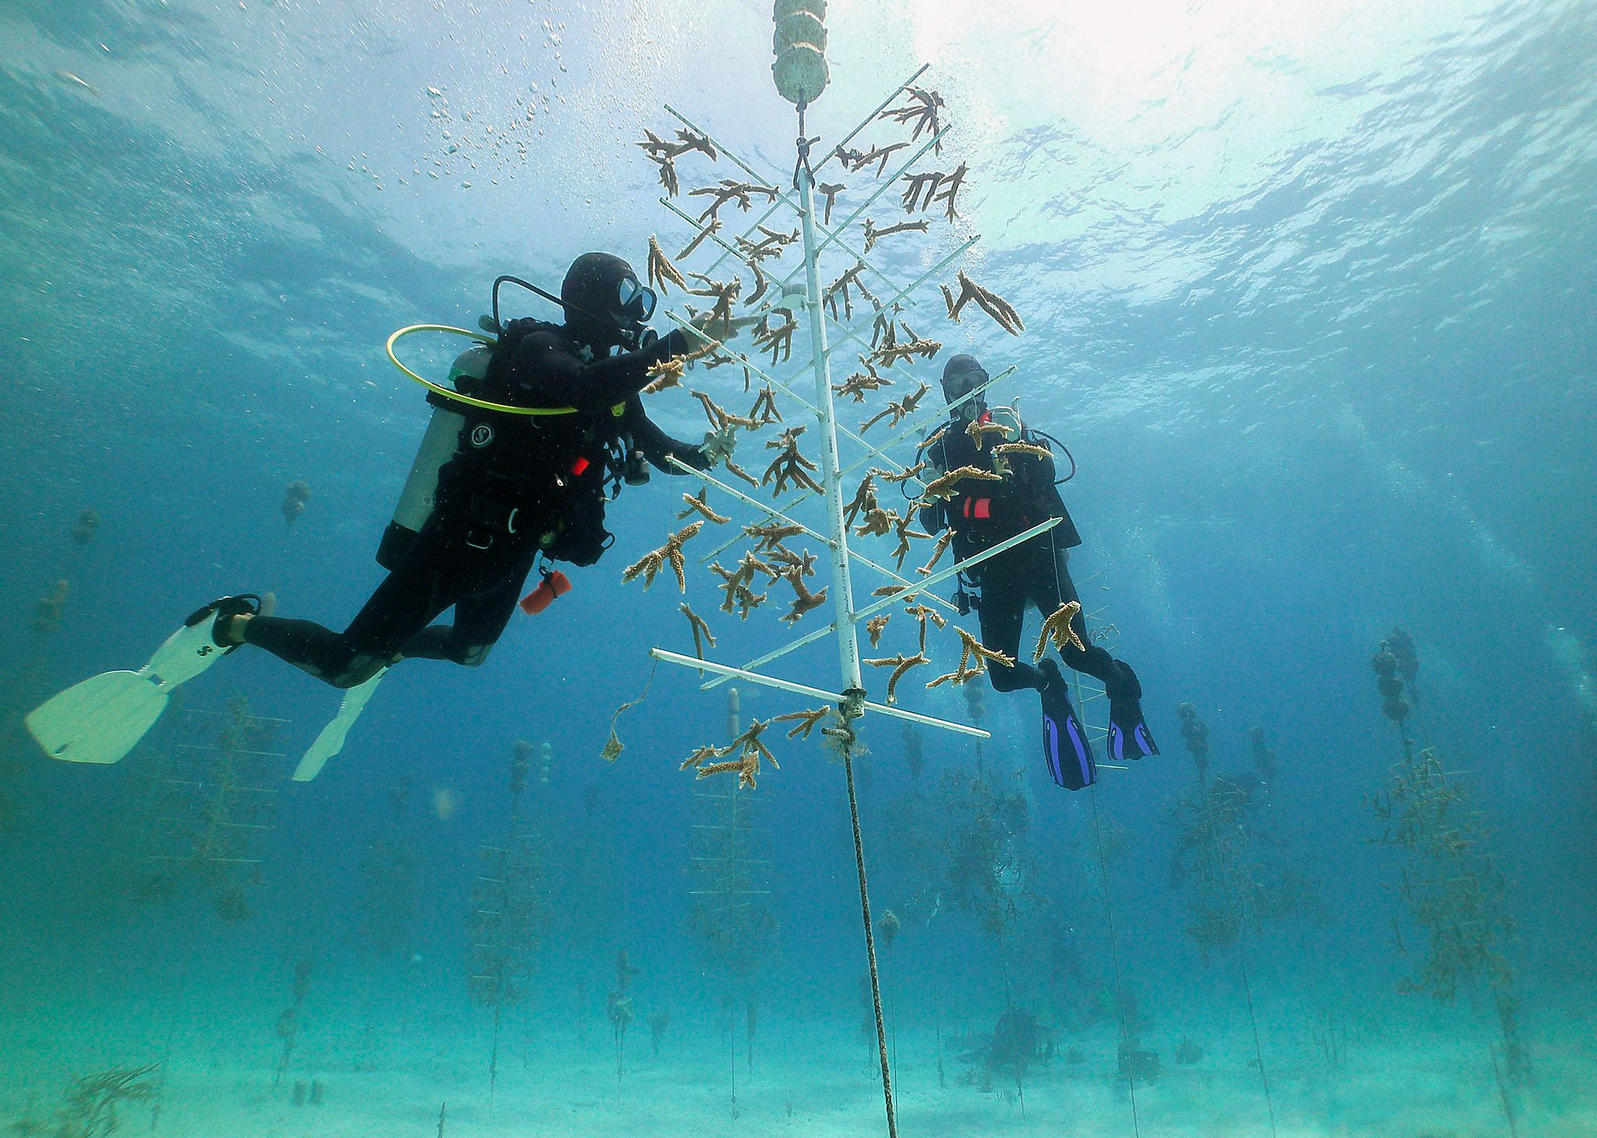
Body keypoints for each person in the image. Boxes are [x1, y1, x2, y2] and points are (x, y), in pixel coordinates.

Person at [197, 251, 735, 688]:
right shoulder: (538, 346)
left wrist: (708, 454)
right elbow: (578, 386)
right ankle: (236, 624)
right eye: (626, 295)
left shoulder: (615, 388)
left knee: (470, 651)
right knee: (344, 667)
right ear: (590, 297)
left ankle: (390, 647)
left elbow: (660, 450)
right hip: (462, 539)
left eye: (643, 300)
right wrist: (679, 345)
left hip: (519, 548)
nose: (636, 312)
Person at [919, 353, 1158, 790]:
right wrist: (931, 494)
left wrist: (1022, 439)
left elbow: (1046, 477)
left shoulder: (1009, 427)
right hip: (992, 572)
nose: (968, 391)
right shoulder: (939, 449)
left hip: (1039, 559)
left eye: (975, 380)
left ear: (986, 383)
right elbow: (932, 523)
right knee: (1003, 676)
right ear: (946, 392)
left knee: (1078, 654)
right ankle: (1048, 685)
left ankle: (1122, 685)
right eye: (958, 384)